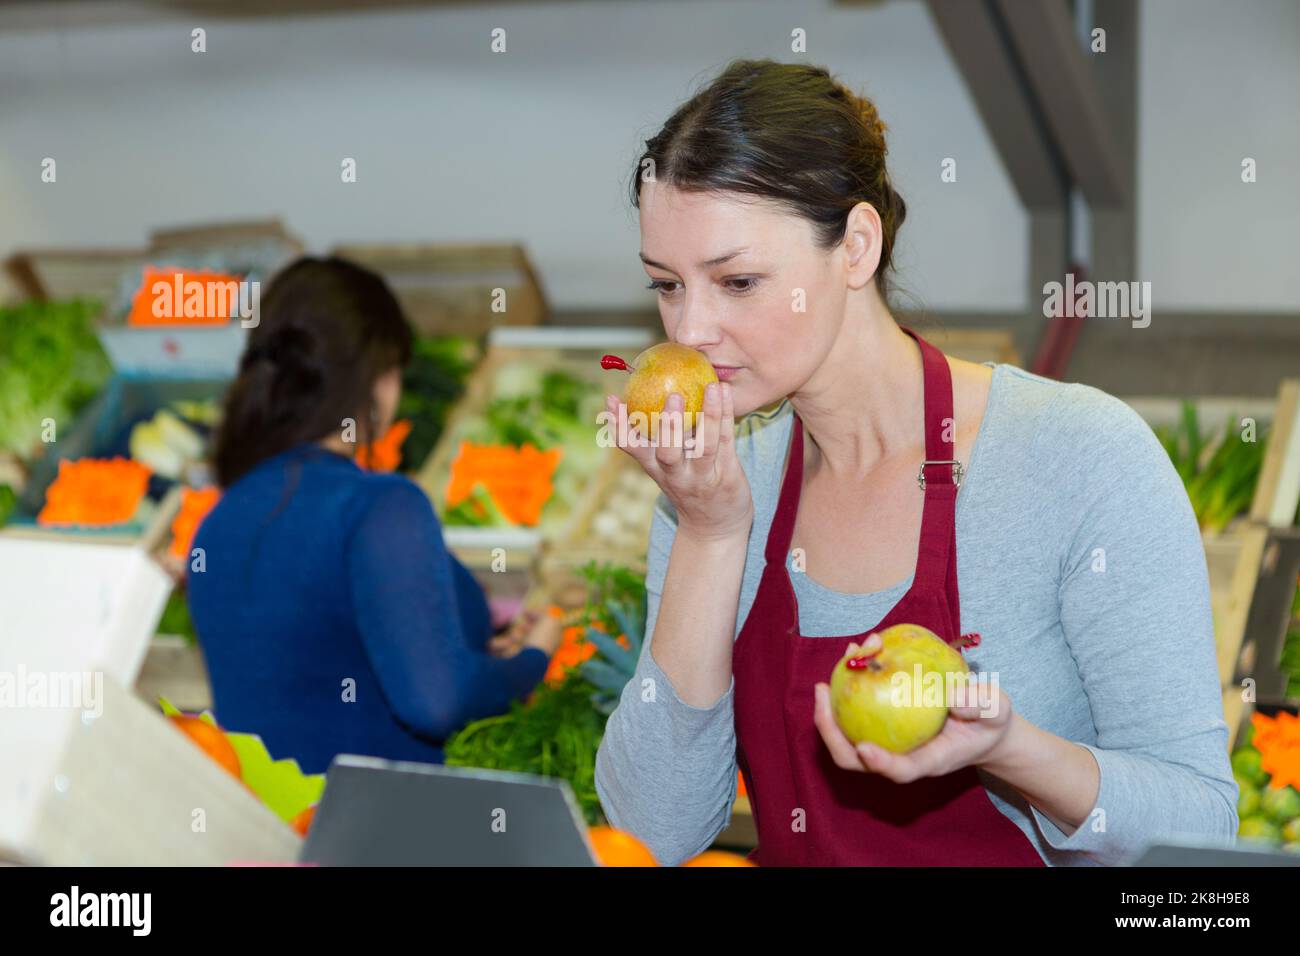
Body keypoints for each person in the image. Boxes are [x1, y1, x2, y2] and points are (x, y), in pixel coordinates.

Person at [594, 59, 1237, 866]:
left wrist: (1008, 749)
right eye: (666, 285)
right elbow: (651, 830)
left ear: (857, 246)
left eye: (738, 281)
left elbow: (1199, 828)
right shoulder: (720, 481)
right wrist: (712, 535)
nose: (688, 332)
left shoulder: (1078, 458)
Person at [189, 256, 561, 775]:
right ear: (378, 374)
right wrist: (532, 662)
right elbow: (438, 701)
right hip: (388, 835)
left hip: (268, 841)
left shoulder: (220, 521)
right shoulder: (380, 506)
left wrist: (481, 661)